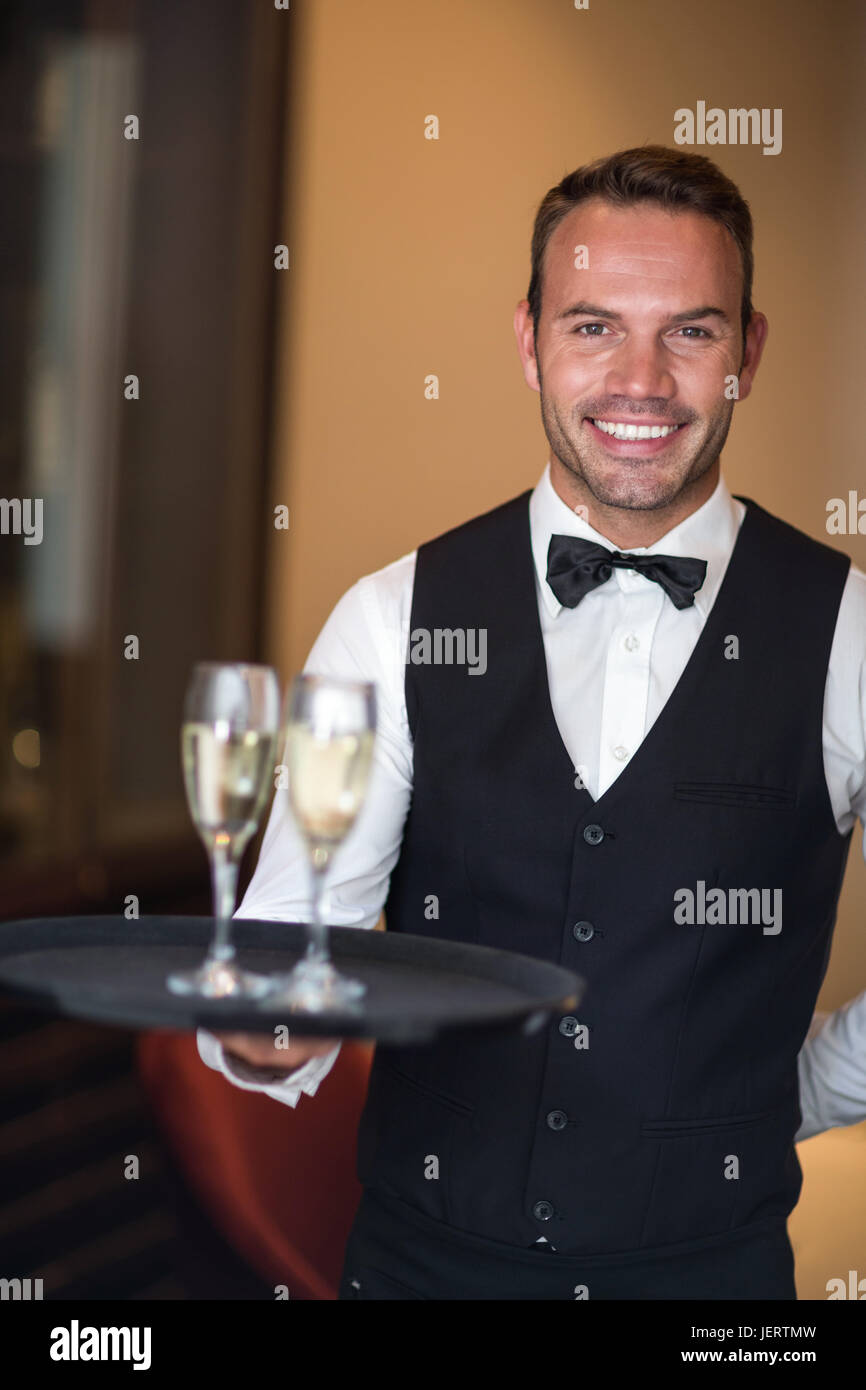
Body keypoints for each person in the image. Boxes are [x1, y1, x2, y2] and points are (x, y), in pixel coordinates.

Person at [198, 146, 866, 1299]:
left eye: (690, 332)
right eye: (593, 327)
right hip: (418, 1273)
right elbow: (289, 953)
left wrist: (806, 1085)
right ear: (528, 341)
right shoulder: (385, 619)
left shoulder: (849, 630)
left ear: (746, 351)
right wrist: (262, 1033)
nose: (640, 382)